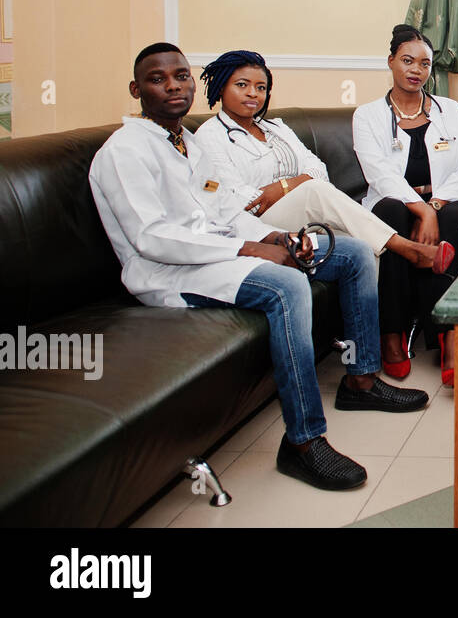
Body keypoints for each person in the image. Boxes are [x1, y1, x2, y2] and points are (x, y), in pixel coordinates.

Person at [89, 43, 428, 492]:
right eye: (158, 79)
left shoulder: (188, 142)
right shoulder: (125, 150)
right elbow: (152, 238)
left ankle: (361, 379)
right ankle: (303, 442)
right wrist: (248, 249)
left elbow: (226, 210)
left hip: (222, 252)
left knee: (354, 255)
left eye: (181, 76)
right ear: (137, 90)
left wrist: (275, 238)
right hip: (169, 271)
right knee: (288, 285)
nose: (173, 86)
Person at [193, 49, 454, 276]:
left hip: (302, 217)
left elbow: (319, 170)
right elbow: (241, 200)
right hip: (259, 225)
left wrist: (284, 186)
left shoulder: (277, 128)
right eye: (242, 85)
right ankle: (408, 248)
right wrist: (299, 186)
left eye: (261, 88)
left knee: (363, 247)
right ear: (221, 87)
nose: (253, 93)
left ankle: (372, 321)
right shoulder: (209, 136)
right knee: (313, 191)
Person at [352, 24, 458, 386]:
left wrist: (434, 205)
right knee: (390, 213)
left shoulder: (448, 109)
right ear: (391, 61)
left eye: (424, 64)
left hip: (444, 197)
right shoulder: (368, 115)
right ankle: (391, 334)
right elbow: (377, 172)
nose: (416, 70)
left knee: (457, 216)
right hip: (394, 198)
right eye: (407, 60)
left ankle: (448, 334)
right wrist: (419, 208)